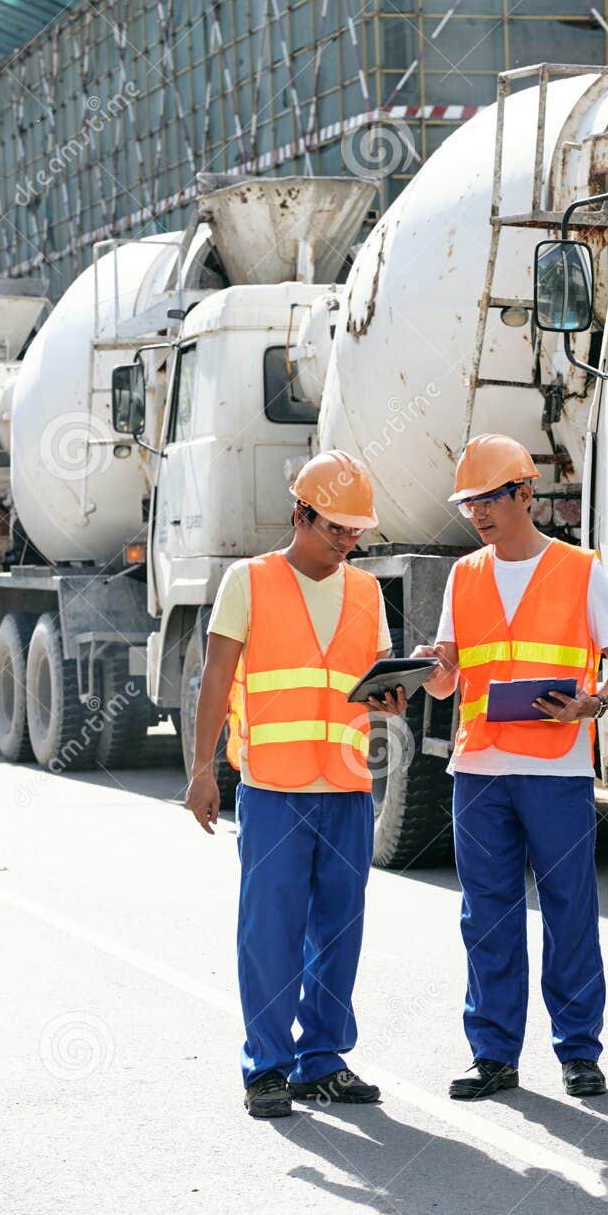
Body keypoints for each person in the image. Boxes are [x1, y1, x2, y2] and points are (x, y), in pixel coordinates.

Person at [416, 434, 608, 1101]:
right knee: (486, 915)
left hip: (557, 769)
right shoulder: (465, 575)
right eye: (468, 504)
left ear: (524, 494)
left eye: (489, 499)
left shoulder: (580, 570)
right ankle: (492, 1055)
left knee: (570, 911)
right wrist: (432, 667)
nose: (478, 514)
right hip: (480, 768)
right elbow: (446, 681)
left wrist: (591, 704)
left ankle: (578, 1052)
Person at [185, 451, 405, 1120]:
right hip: (273, 787)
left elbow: (372, 682)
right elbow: (216, 681)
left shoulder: (367, 592)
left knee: (338, 932)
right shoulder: (247, 582)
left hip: (344, 784)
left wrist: (390, 699)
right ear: (299, 515)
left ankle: (323, 1063)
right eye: (333, 528)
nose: (345, 542)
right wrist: (201, 771)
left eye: (354, 532)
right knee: (271, 932)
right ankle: (267, 1069)